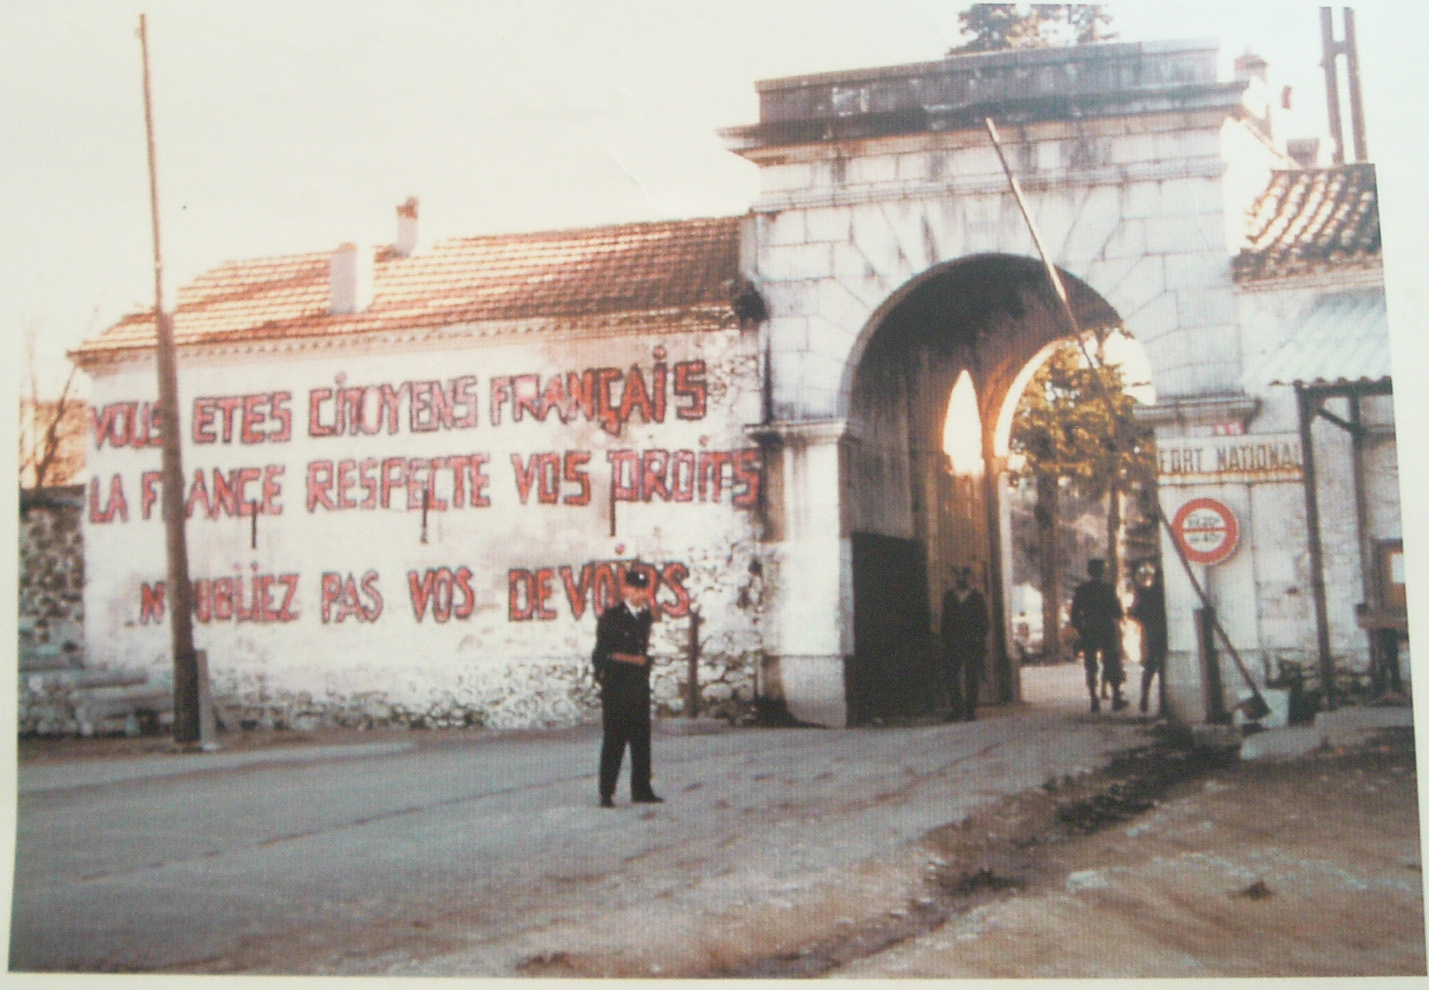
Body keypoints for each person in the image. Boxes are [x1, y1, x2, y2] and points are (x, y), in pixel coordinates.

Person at [592, 568, 663, 808]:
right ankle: (606, 792)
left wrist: (644, 665)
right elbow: (603, 654)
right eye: (636, 589)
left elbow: (644, 650)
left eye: (644, 589)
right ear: (626, 590)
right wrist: (631, 662)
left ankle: (641, 789)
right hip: (616, 686)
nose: (641, 594)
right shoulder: (611, 616)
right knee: (614, 740)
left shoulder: (645, 618)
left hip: (638, 686)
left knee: (641, 740)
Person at [1070, 558, 1126, 713]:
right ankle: (1116, 698)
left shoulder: (1082, 590)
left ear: (1089, 572)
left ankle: (1094, 699)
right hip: (1107, 630)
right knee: (1112, 663)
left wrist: (1081, 628)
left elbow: (1074, 615)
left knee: (1091, 666)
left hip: (1089, 631)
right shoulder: (1108, 589)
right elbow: (1118, 612)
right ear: (1103, 571)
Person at [940, 566, 990, 721]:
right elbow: (945, 621)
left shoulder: (976, 597)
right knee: (951, 676)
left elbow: (984, 621)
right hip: (953, 643)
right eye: (959, 577)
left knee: (972, 676)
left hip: (972, 643)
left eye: (965, 577)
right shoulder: (949, 597)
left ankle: (970, 709)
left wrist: (978, 637)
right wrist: (945, 639)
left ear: (970, 579)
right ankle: (957, 708)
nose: (961, 580)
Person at [1128, 560, 1167, 714]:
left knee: (1149, 669)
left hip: (1150, 634)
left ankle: (1144, 698)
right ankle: (1163, 704)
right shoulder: (1166, 593)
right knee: (1164, 671)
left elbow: (1134, 613)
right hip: (1165, 635)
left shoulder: (1146, 593)